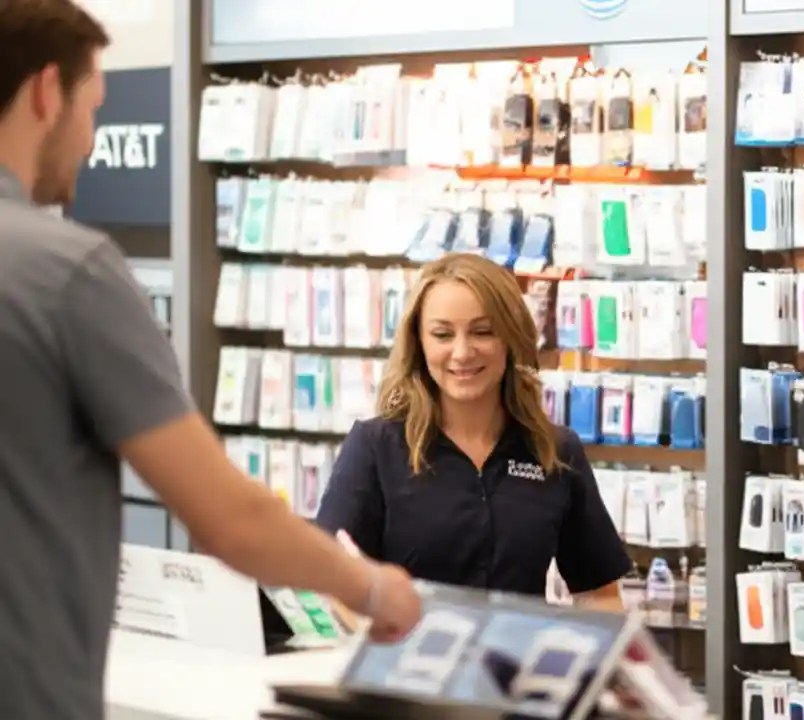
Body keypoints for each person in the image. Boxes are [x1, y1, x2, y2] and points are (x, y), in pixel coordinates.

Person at [0, 3, 422, 718]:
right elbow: (232, 520)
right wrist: (376, 590)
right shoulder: (64, 272)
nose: (90, 139)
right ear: (46, 91)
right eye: (90, 107)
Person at [316, 253, 632, 609]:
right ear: (418, 342)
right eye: (442, 334)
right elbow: (331, 585)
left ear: (510, 337)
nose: (462, 352)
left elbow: (599, 595)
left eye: (483, 332)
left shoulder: (555, 451)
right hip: (409, 661)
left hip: (515, 664)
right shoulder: (376, 448)